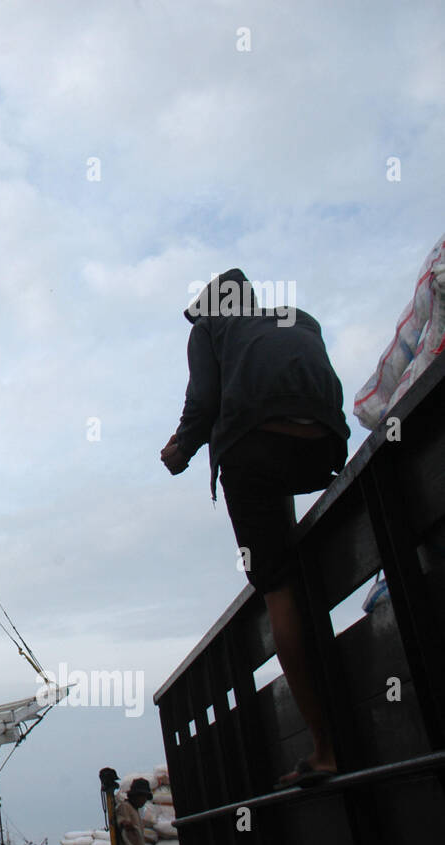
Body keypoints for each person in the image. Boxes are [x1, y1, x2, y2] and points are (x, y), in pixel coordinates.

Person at [161, 269, 350, 789]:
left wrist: (179, 452)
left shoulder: (208, 330)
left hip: (254, 449)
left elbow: (204, 402)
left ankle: (325, 749)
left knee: (277, 588)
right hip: (325, 444)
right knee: (281, 513)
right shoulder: (298, 318)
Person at [115, 778, 153, 845]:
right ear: (135, 795)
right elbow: (120, 820)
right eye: (143, 796)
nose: (145, 800)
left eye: (146, 797)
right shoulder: (125, 807)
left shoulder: (135, 810)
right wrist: (124, 823)